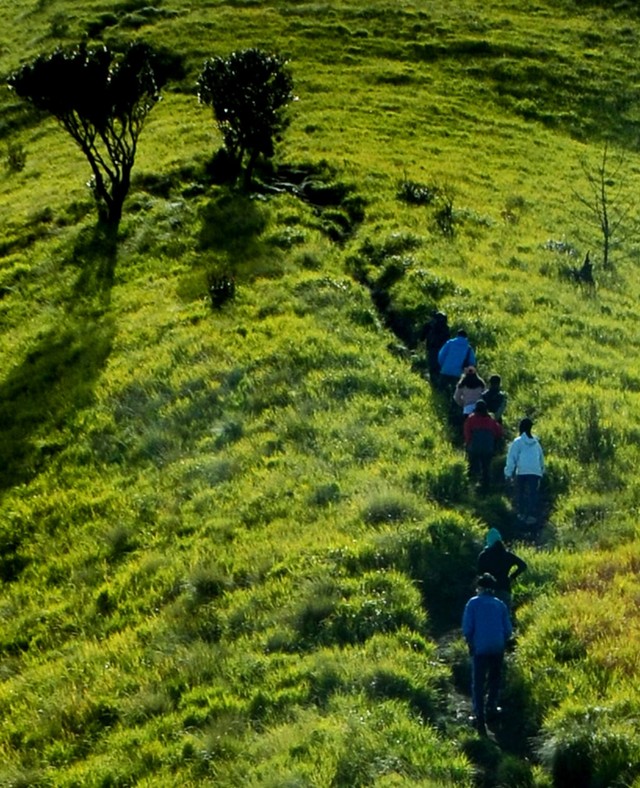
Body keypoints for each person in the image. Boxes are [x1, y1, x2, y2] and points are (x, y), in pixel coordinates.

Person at [462, 572, 513, 736]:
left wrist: (471, 642)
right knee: (495, 678)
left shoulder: (473, 603)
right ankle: (492, 707)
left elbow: (467, 628)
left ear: (480, 587)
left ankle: (479, 715)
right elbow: (508, 630)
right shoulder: (500, 604)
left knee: (478, 681)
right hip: (498, 646)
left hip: (480, 647)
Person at [504, 418, 545, 526]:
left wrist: (508, 473)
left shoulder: (518, 442)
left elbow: (511, 458)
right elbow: (541, 459)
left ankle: (521, 514)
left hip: (522, 471)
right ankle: (532, 515)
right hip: (535, 471)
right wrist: (542, 472)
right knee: (533, 494)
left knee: (520, 492)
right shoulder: (536, 443)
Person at [477, 528, 527, 609]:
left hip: (487, 592)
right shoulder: (507, 555)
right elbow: (523, 565)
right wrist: (512, 577)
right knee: (505, 617)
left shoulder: (483, 555)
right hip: (504, 589)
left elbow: (480, 573)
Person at [463, 400, 504, 491]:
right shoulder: (491, 420)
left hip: (474, 448)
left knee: (472, 466)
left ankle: (471, 485)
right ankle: (485, 487)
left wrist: (468, 444)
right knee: (486, 468)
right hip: (488, 448)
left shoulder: (471, 419)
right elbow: (499, 433)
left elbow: (467, 434)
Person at [421, 311, 450, 381]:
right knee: (440, 367)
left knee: (432, 366)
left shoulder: (429, 326)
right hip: (442, 350)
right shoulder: (446, 328)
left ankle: (433, 382)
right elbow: (448, 339)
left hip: (432, 348)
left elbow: (422, 337)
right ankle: (439, 383)